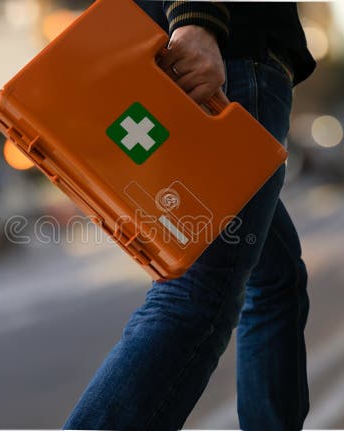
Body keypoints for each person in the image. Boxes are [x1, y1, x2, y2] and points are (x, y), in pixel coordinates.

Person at [64, 1, 316, 430]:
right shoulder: (202, 31)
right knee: (198, 293)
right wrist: (196, 20)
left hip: (182, 53)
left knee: (275, 278)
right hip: (222, 61)